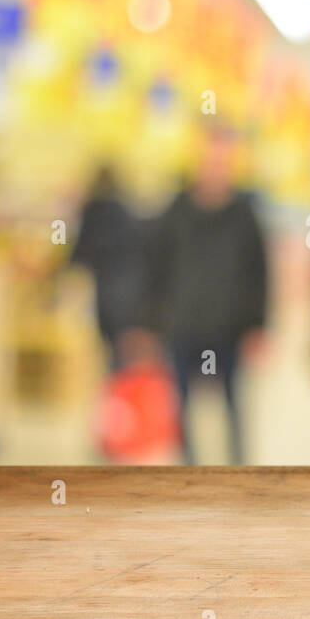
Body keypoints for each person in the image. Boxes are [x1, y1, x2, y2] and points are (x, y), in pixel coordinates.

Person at [140, 124, 268, 465]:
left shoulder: (244, 215)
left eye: (220, 158)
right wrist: (151, 323)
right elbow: (157, 270)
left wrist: (258, 326)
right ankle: (189, 476)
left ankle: (239, 475)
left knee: (233, 408)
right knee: (181, 411)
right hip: (184, 329)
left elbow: (259, 274)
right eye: (208, 158)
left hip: (229, 330)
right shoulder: (176, 212)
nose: (214, 165)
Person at [70, 165, 144, 373]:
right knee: (123, 349)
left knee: (109, 346)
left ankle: (115, 390)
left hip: (104, 292)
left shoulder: (91, 213)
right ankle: (121, 388)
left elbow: (79, 253)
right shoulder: (126, 211)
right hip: (128, 293)